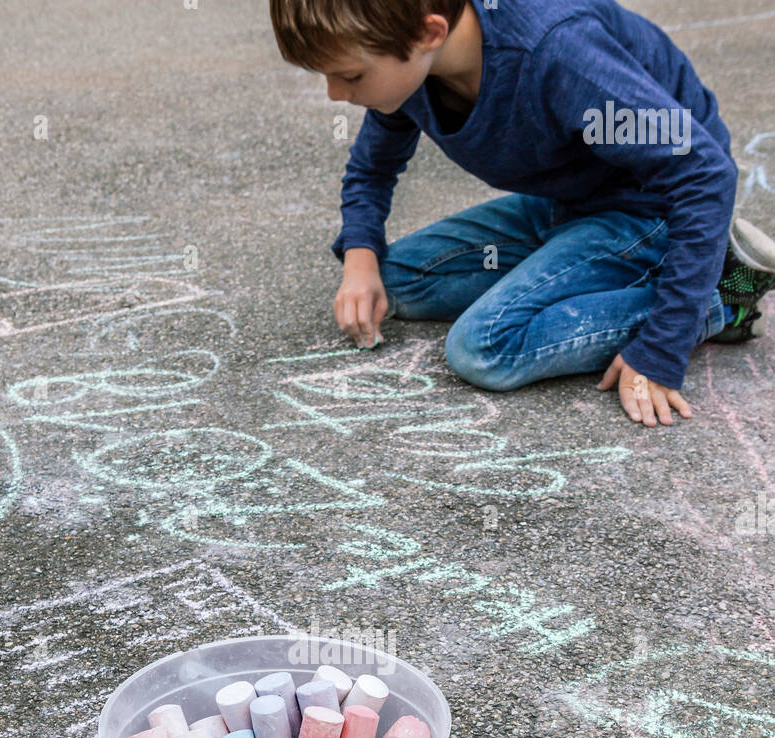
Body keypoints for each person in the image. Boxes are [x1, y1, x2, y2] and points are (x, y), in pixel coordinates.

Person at [269, 0, 775, 426]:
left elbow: (704, 173)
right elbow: (372, 167)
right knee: (387, 280)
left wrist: (663, 348)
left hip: (647, 210)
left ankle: (720, 297)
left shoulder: (558, 52)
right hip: (569, 204)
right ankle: (592, 272)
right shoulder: (414, 63)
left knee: (483, 348)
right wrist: (359, 257)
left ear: (429, 33)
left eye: (350, 76)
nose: (336, 93)